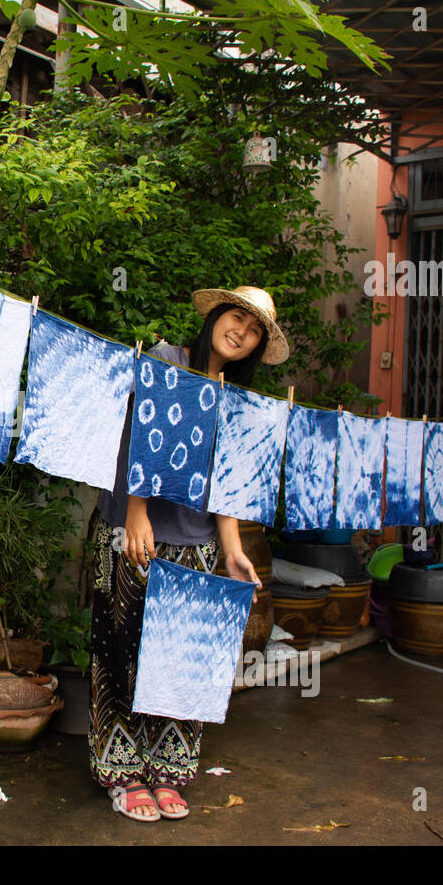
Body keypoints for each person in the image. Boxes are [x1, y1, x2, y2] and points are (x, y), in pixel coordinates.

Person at [89, 286, 290, 822]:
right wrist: (136, 513)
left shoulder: (238, 400)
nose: (241, 332)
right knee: (123, 650)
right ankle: (122, 772)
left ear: (255, 348)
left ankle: (168, 769)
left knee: (184, 658)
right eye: (236, 318)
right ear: (215, 317)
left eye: (253, 331)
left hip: (196, 539)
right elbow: (138, 433)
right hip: (136, 529)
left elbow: (228, 479)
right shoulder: (166, 360)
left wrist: (232, 550)